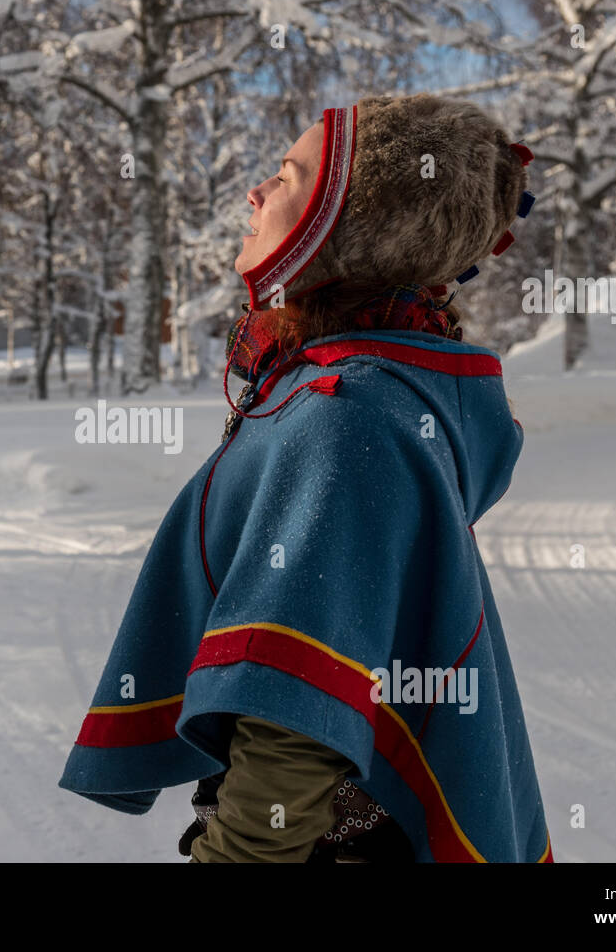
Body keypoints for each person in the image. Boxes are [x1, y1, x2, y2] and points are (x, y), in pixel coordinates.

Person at [58, 94, 552, 863]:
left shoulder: (343, 413)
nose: (255, 192)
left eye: (287, 176)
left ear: (350, 226)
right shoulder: (362, 386)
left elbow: (292, 713)